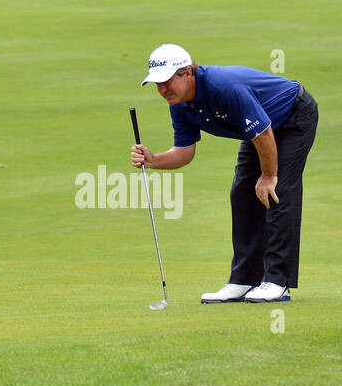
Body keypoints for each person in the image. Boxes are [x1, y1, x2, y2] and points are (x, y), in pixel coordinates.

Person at [131, 43, 318, 304]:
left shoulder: (223, 87)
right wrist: (154, 161)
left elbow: (263, 131)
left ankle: (277, 282)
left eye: (166, 81)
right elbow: (184, 153)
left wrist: (268, 174)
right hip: (258, 130)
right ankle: (244, 279)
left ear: (187, 73)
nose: (162, 90)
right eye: (157, 84)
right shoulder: (180, 104)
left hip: (291, 116)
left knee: (276, 191)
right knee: (242, 193)